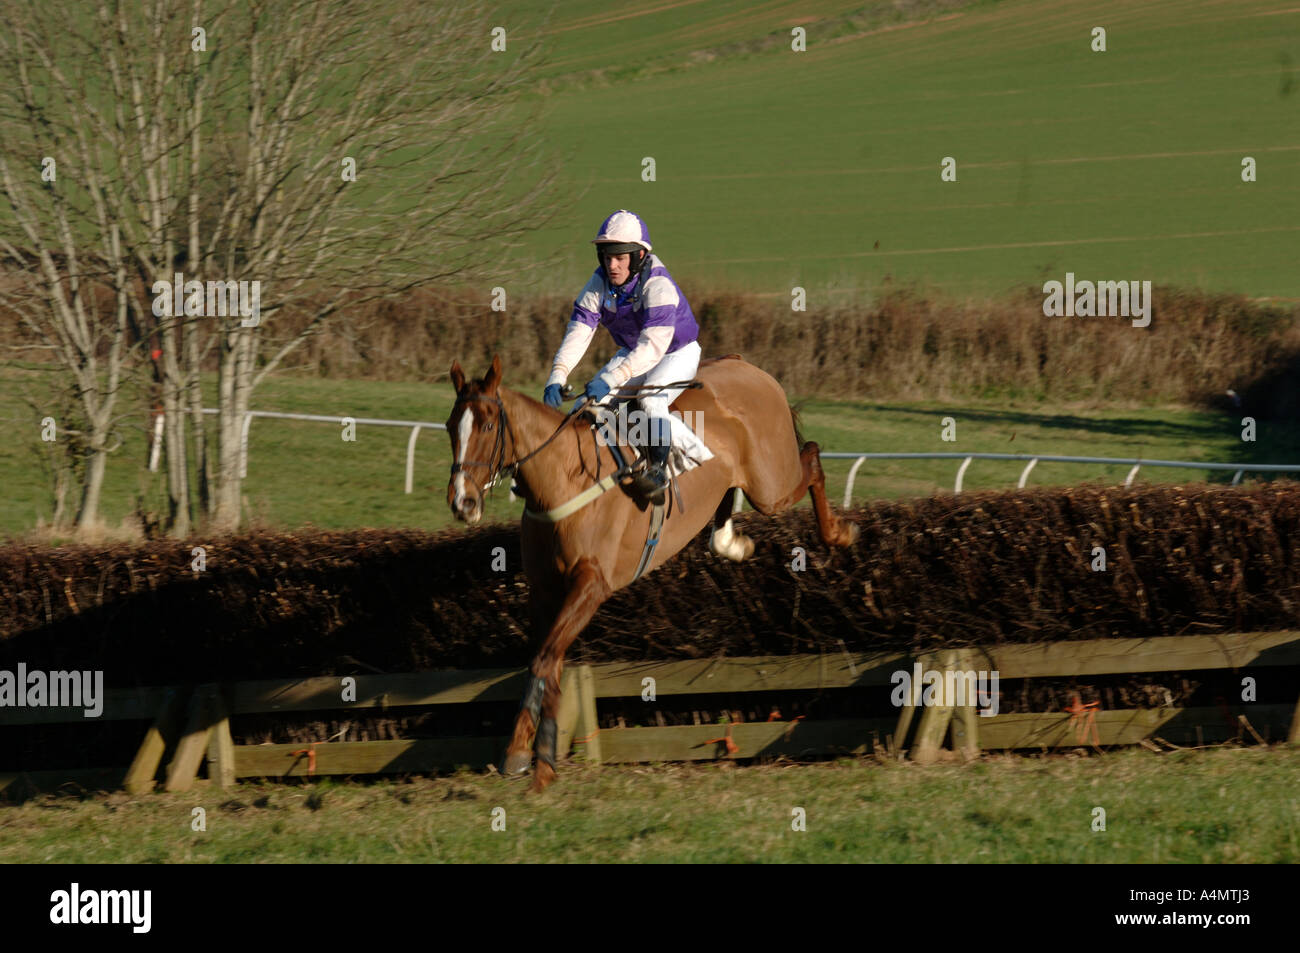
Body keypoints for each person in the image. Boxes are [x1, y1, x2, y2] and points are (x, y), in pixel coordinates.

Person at [543, 210, 701, 504]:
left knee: (650, 400)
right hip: (634, 350)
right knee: (585, 404)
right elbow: (580, 330)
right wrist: (558, 375)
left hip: (675, 353)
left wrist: (614, 378)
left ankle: (658, 472)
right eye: (606, 257)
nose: (612, 265)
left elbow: (653, 347)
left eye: (620, 258)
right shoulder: (599, 282)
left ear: (639, 256)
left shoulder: (658, 284)